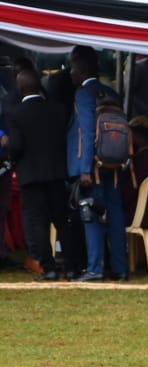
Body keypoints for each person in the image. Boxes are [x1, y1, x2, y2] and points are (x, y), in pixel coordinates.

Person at [65, 45, 127, 283]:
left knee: (90, 213)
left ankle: (95, 269)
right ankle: (120, 269)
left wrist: (84, 168)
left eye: (72, 66)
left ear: (81, 67)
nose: (70, 72)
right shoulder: (110, 92)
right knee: (115, 214)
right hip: (113, 162)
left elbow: (88, 131)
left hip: (92, 164)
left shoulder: (83, 93)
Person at [4, 68, 69, 281]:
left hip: (30, 174)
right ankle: (72, 265)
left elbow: (16, 146)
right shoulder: (58, 110)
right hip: (57, 172)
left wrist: (8, 148)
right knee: (62, 220)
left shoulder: (15, 114)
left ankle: (48, 267)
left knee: (36, 222)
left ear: (20, 88)